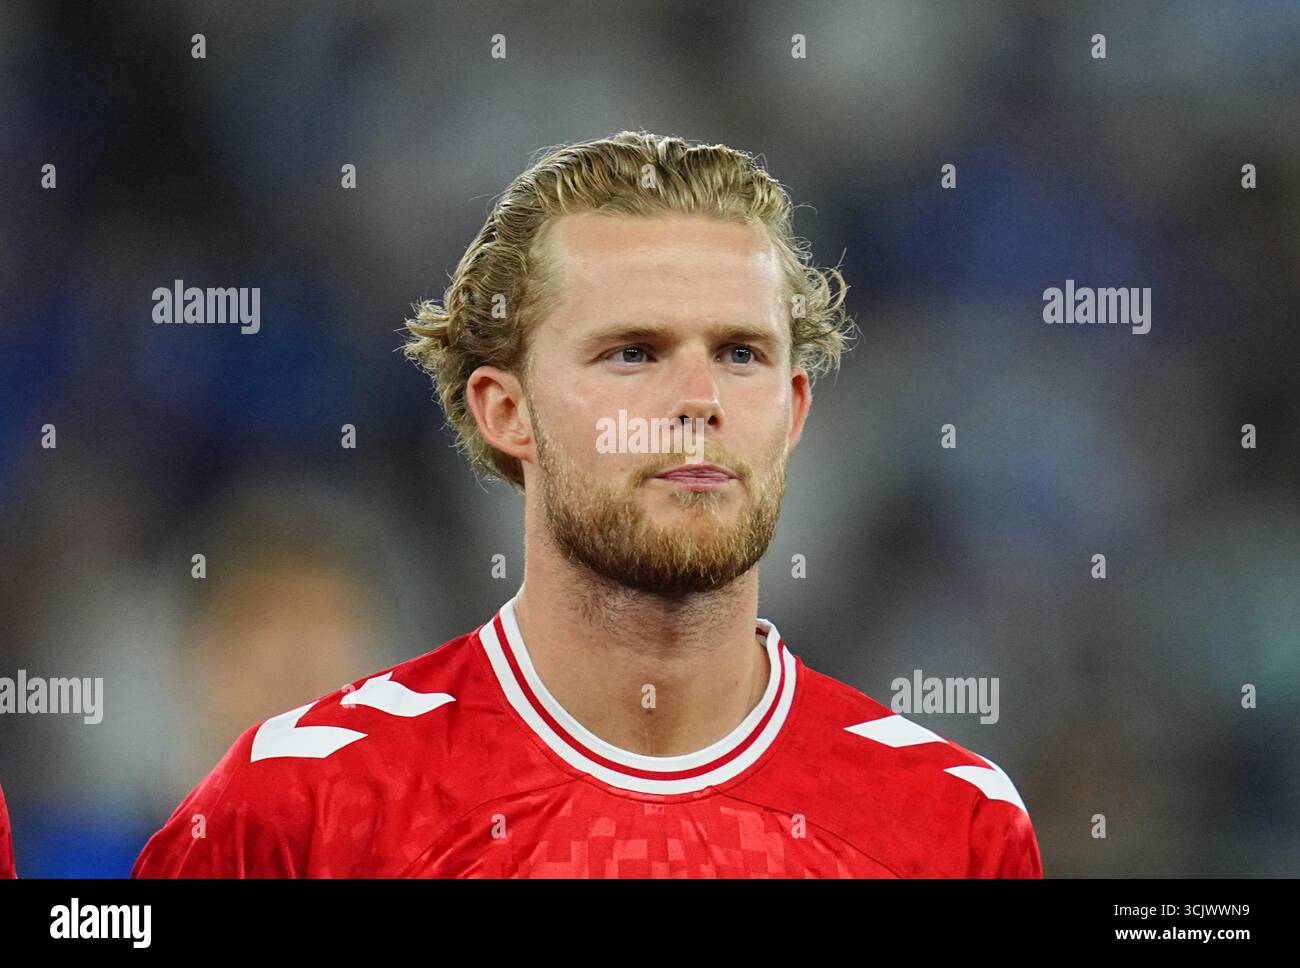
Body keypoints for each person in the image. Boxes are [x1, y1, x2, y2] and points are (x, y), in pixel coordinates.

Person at [133, 130, 1042, 877]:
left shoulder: (952, 824)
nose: (699, 399)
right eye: (634, 353)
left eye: (740, 353)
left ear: (794, 410)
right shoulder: (300, 808)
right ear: (506, 411)